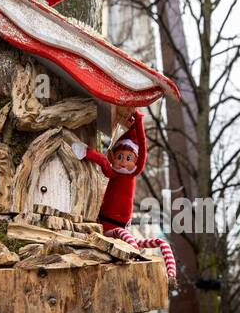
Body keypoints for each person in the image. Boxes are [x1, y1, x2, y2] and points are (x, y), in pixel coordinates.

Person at [71, 113, 177, 279]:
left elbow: (142, 144)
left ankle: (171, 275)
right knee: (125, 236)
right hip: (109, 229)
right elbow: (103, 161)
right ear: (114, 156)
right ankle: (135, 268)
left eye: (128, 158)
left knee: (161, 242)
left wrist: (139, 123)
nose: (123, 161)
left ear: (136, 161)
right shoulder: (112, 172)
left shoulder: (133, 172)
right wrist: (86, 152)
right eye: (119, 156)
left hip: (123, 229)